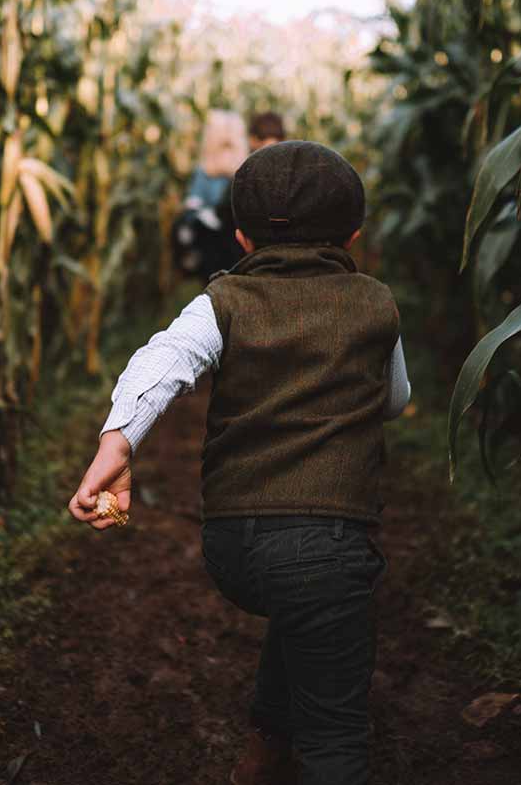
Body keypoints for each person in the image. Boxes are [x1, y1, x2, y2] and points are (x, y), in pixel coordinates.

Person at [69, 141, 411, 785]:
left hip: (234, 546)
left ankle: (261, 756)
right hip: (329, 547)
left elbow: (164, 360)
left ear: (241, 237)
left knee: (299, 617)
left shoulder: (224, 300)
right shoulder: (376, 303)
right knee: (336, 730)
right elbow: (394, 402)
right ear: (357, 233)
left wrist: (118, 443)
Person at [174, 110, 249, 281]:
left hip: (234, 238)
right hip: (212, 242)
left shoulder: (245, 169)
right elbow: (193, 206)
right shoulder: (203, 172)